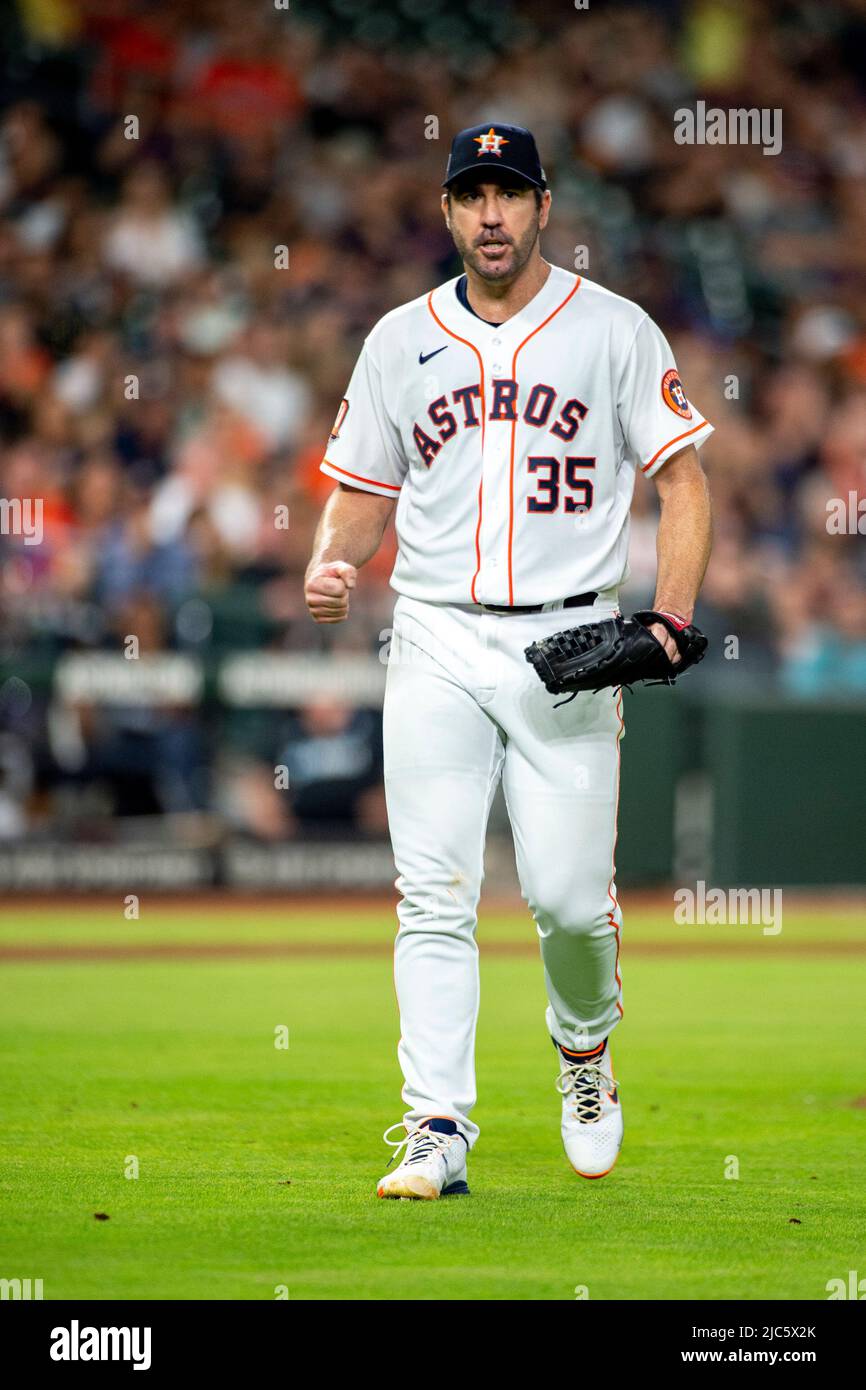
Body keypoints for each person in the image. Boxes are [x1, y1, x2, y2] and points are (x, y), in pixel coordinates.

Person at [304, 124, 713, 1199]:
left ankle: (583, 1051)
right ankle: (435, 1127)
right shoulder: (400, 337)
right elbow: (361, 493)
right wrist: (330, 559)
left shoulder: (613, 330)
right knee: (432, 893)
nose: (489, 213)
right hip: (434, 628)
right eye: (471, 193)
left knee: (570, 901)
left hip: (569, 638)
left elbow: (682, 479)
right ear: (445, 211)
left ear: (543, 208)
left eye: (509, 193)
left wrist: (668, 612)